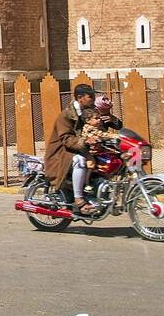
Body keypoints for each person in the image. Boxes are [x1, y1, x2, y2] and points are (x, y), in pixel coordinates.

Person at [44, 83, 119, 216]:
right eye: (90, 96)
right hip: (64, 152)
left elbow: (105, 124)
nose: (93, 99)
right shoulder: (66, 115)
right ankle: (79, 199)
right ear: (80, 98)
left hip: (86, 148)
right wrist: (85, 141)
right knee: (80, 161)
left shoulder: (91, 110)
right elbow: (66, 139)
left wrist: (113, 120)